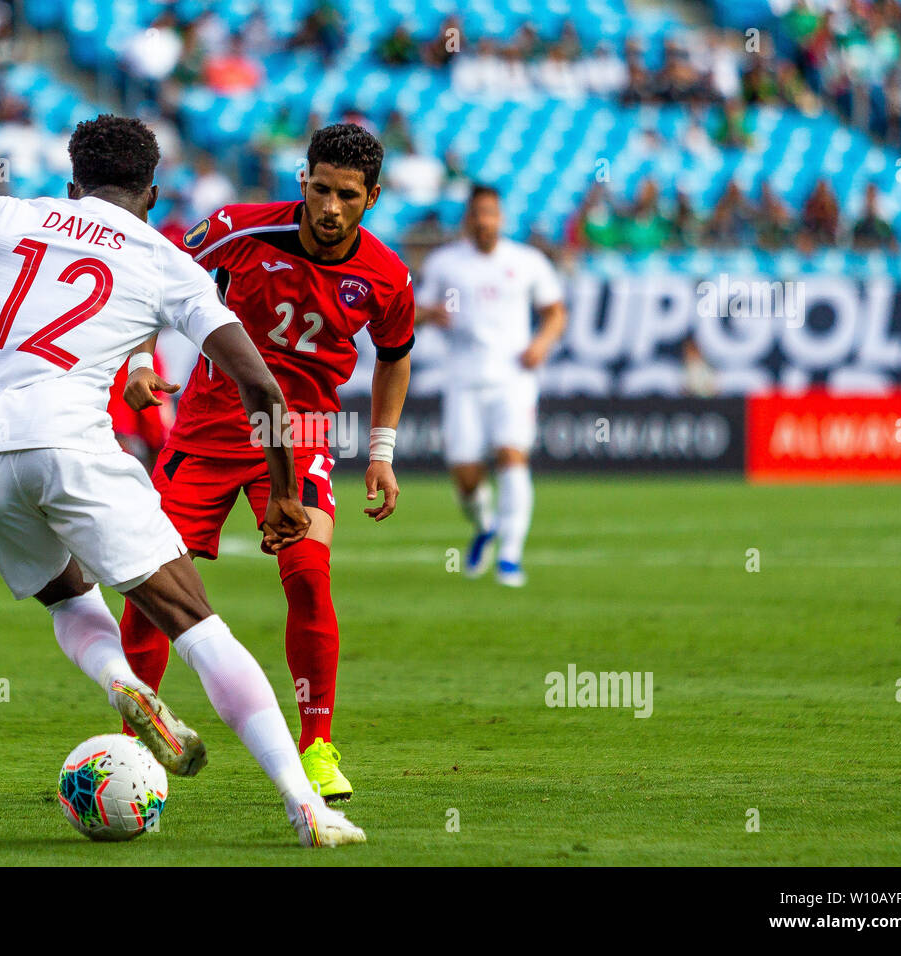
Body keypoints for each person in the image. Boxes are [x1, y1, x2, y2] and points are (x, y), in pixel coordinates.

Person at [0, 114, 364, 848]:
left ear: (71, 182)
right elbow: (263, 390)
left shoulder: (9, 212)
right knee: (197, 626)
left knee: (68, 596)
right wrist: (282, 492)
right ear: (151, 192)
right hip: (70, 442)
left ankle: (119, 678)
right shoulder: (165, 257)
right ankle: (307, 807)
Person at [118, 124, 415, 803]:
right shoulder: (233, 229)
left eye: (347, 195)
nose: (330, 207)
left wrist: (381, 452)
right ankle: (139, 743)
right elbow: (153, 283)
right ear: (301, 182)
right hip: (206, 431)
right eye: (319, 189)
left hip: (303, 435)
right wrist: (139, 360)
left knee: (309, 574)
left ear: (372, 196)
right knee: (150, 585)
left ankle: (315, 746)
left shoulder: (388, 276)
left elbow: (394, 359)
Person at [416, 184, 567, 587]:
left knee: (512, 456)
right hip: (463, 379)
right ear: (468, 218)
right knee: (465, 475)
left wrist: (540, 345)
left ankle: (511, 558)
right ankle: (486, 525)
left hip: (513, 378)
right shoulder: (446, 263)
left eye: (491, 213)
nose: (485, 220)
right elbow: (414, 312)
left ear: (501, 217)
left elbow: (555, 312)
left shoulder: (526, 261)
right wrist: (430, 313)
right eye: (478, 213)